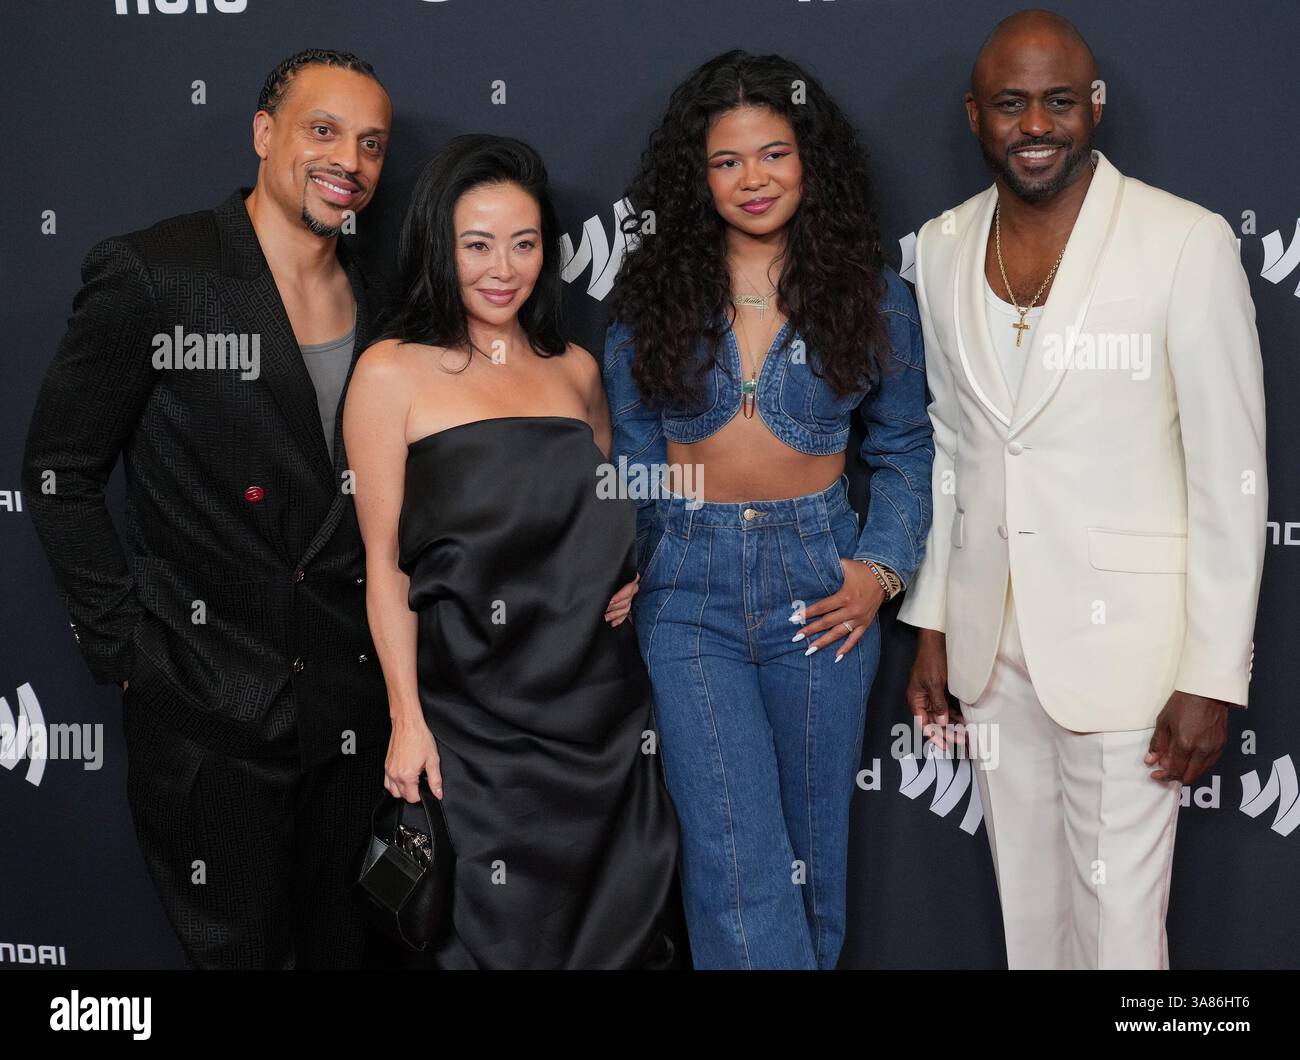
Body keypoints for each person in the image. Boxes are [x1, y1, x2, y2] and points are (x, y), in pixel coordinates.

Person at [901, 9, 1267, 969]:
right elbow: (953, 445)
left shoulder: (1182, 243)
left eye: (1059, 101)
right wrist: (935, 618)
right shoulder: (937, 249)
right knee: (1032, 926)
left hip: (1132, 659)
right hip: (991, 649)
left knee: (1118, 936)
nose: (1036, 125)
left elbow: (1232, 477)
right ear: (975, 115)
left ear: (1093, 108)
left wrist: (1211, 676)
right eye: (1012, 104)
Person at [21, 50, 403, 968]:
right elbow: (59, 470)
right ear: (265, 135)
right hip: (208, 717)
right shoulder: (158, 273)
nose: (348, 159)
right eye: (323, 131)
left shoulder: (389, 299)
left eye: (372, 144)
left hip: (353, 721)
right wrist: (127, 648)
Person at [604, 50, 934, 969]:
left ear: (810, 162)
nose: (753, 179)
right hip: (689, 591)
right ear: (695, 176)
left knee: (811, 859)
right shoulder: (650, 299)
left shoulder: (873, 298)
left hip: (819, 585)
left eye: (774, 154)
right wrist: (636, 561)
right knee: (733, 855)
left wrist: (879, 570)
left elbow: (905, 449)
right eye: (726, 161)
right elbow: (636, 457)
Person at [343, 133, 682, 969]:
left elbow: (608, 502)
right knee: (494, 940)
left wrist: (637, 573)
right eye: (478, 245)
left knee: (619, 938)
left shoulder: (574, 370)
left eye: (525, 244)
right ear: (438, 247)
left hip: (603, 713)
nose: (504, 268)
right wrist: (405, 721)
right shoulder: (391, 374)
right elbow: (385, 568)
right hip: (473, 726)